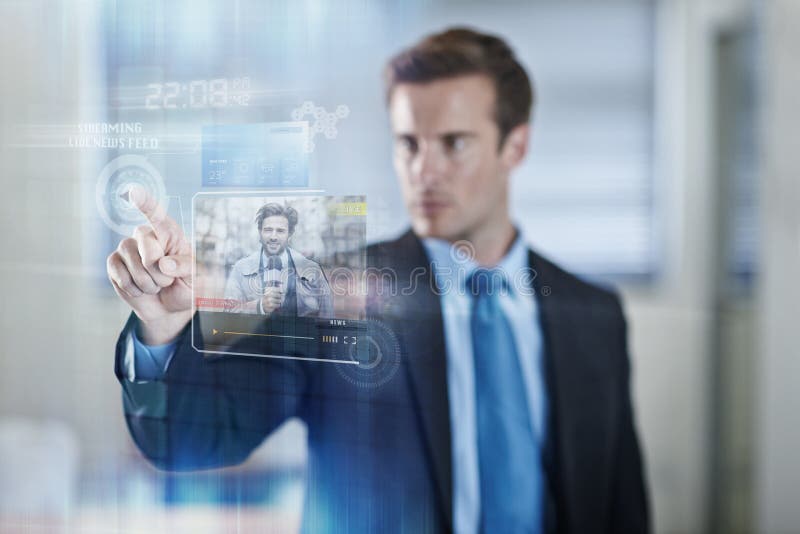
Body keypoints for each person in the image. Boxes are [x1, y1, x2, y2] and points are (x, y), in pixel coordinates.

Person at [107, 27, 649, 533]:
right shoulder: (335, 291)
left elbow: (621, 502)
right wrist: (165, 328)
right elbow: (188, 439)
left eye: (453, 143)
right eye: (409, 143)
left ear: (516, 146)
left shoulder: (594, 317)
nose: (424, 170)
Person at [222, 202, 333, 317]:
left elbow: (328, 319)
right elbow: (228, 313)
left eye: (280, 231)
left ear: (290, 234)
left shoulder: (311, 269)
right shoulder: (240, 268)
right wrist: (259, 306)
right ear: (260, 232)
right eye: (268, 230)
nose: (273, 237)